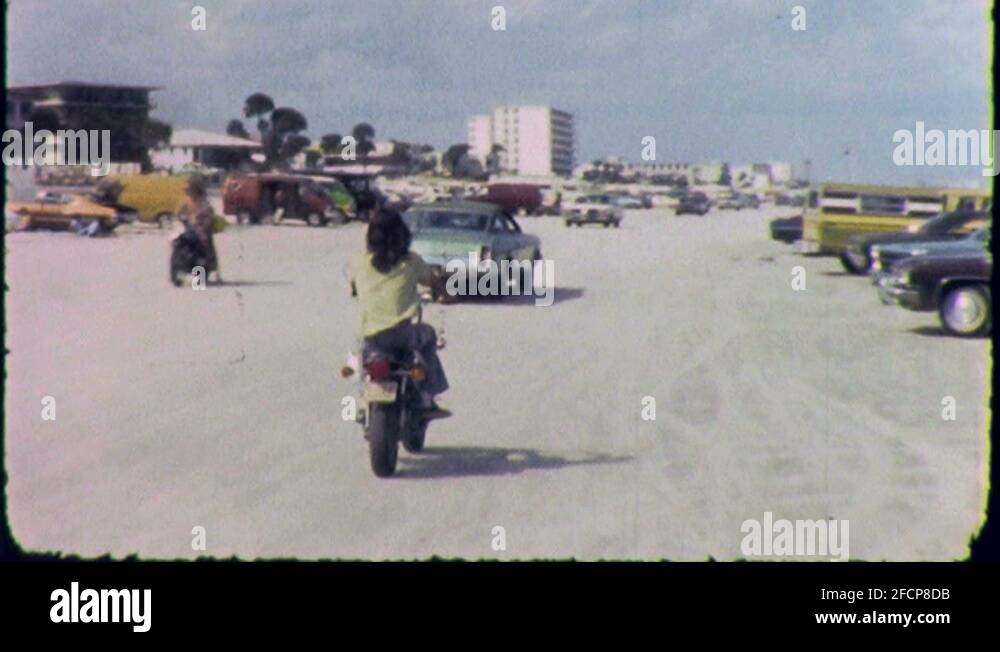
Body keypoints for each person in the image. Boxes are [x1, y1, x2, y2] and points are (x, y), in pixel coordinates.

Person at [349, 210, 449, 417]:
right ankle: (427, 395)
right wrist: (444, 294)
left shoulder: (359, 261)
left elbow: (353, 288)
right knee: (428, 334)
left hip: (371, 335)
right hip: (402, 335)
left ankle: (361, 404)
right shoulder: (411, 262)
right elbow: (434, 282)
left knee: (361, 362)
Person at [177, 175, 221, 283]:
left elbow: (210, 213)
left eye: (189, 189)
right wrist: (180, 217)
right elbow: (178, 212)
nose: (186, 190)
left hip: (202, 228)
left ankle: (204, 273)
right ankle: (178, 268)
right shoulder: (186, 200)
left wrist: (204, 221)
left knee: (205, 246)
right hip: (189, 228)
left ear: (195, 189)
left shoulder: (203, 201)